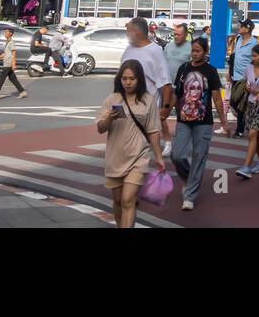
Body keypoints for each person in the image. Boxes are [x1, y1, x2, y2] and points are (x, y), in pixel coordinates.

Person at [96, 60, 165, 228]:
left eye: (132, 79)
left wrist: (158, 157)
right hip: (115, 158)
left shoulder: (148, 101)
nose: (128, 82)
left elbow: (153, 131)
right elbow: (100, 128)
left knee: (128, 200)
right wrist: (109, 118)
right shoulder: (113, 99)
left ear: (139, 80)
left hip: (139, 157)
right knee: (118, 201)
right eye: (124, 78)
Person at [169, 36, 230, 210]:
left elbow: (217, 98)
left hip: (204, 121)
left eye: (198, 51)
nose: (194, 54)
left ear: (205, 52)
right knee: (177, 154)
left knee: (199, 157)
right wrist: (165, 112)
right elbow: (177, 94)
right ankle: (190, 179)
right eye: (193, 50)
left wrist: (223, 122)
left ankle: (190, 196)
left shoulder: (210, 71)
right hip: (183, 119)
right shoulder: (184, 68)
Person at [121, 17, 174, 158]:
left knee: (139, 148)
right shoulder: (128, 50)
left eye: (128, 31)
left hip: (146, 108)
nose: (126, 34)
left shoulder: (155, 51)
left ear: (136, 32)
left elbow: (165, 83)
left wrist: (165, 108)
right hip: (126, 106)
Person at [236, 44, 259, 179]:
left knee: (253, 133)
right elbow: (245, 83)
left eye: (255, 56)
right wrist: (246, 87)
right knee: (256, 136)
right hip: (250, 104)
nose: (253, 58)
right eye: (252, 55)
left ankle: (246, 166)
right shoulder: (249, 68)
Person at [227, 19, 258, 137]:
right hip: (235, 76)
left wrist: (253, 77)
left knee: (239, 104)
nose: (239, 27)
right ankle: (246, 121)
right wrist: (230, 72)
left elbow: (257, 60)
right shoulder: (238, 40)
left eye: (242, 26)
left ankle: (239, 130)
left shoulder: (254, 43)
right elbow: (233, 57)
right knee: (234, 103)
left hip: (245, 78)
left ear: (248, 28)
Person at [0, 28, 27, 99]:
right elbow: (6, 53)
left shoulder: (11, 42)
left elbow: (14, 53)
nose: (4, 33)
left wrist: (14, 64)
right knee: (12, 78)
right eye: (4, 32)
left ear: (10, 33)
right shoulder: (7, 42)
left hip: (8, 63)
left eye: (6, 32)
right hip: (7, 62)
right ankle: (22, 92)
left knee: (1, 79)